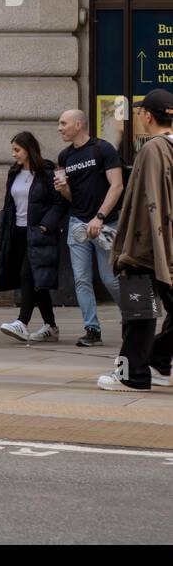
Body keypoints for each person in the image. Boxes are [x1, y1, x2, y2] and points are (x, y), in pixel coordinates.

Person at [98, 89, 173, 392]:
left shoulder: (153, 149)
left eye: (141, 111)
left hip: (146, 245)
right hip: (165, 243)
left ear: (147, 116)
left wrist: (128, 246)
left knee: (138, 311)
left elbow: (146, 202)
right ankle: (159, 363)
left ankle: (134, 375)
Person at [55, 108, 124, 347]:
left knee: (110, 279)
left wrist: (100, 216)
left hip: (105, 223)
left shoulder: (103, 149)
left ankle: (133, 320)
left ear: (78, 124)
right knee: (81, 279)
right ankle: (92, 329)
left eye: (64, 123)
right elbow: (71, 196)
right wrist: (64, 191)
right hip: (77, 223)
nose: (59, 128)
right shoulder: (64, 156)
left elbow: (116, 186)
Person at [0, 132, 67, 343]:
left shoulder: (46, 172)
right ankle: (51, 327)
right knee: (36, 282)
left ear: (29, 149)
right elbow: (10, 203)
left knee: (28, 275)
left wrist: (46, 225)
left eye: (17, 150)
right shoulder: (14, 172)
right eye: (13, 150)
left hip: (37, 232)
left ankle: (22, 323)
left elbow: (60, 202)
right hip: (16, 232)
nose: (13, 154)